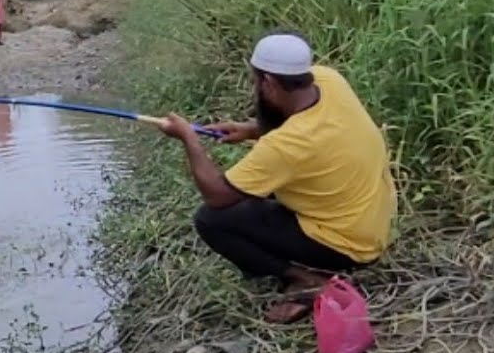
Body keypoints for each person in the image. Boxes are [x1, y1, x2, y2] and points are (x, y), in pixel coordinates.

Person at [156, 32, 397, 324]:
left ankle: (306, 279)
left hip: (347, 249)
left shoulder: (286, 145)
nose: (255, 89)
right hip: (373, 228)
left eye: (255, 82)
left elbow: (217, 195)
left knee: (211, 220)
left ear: (268, 83)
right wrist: (250, 129)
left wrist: (189, 139)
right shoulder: (329, 81)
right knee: (258, 190)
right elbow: (303, 126)